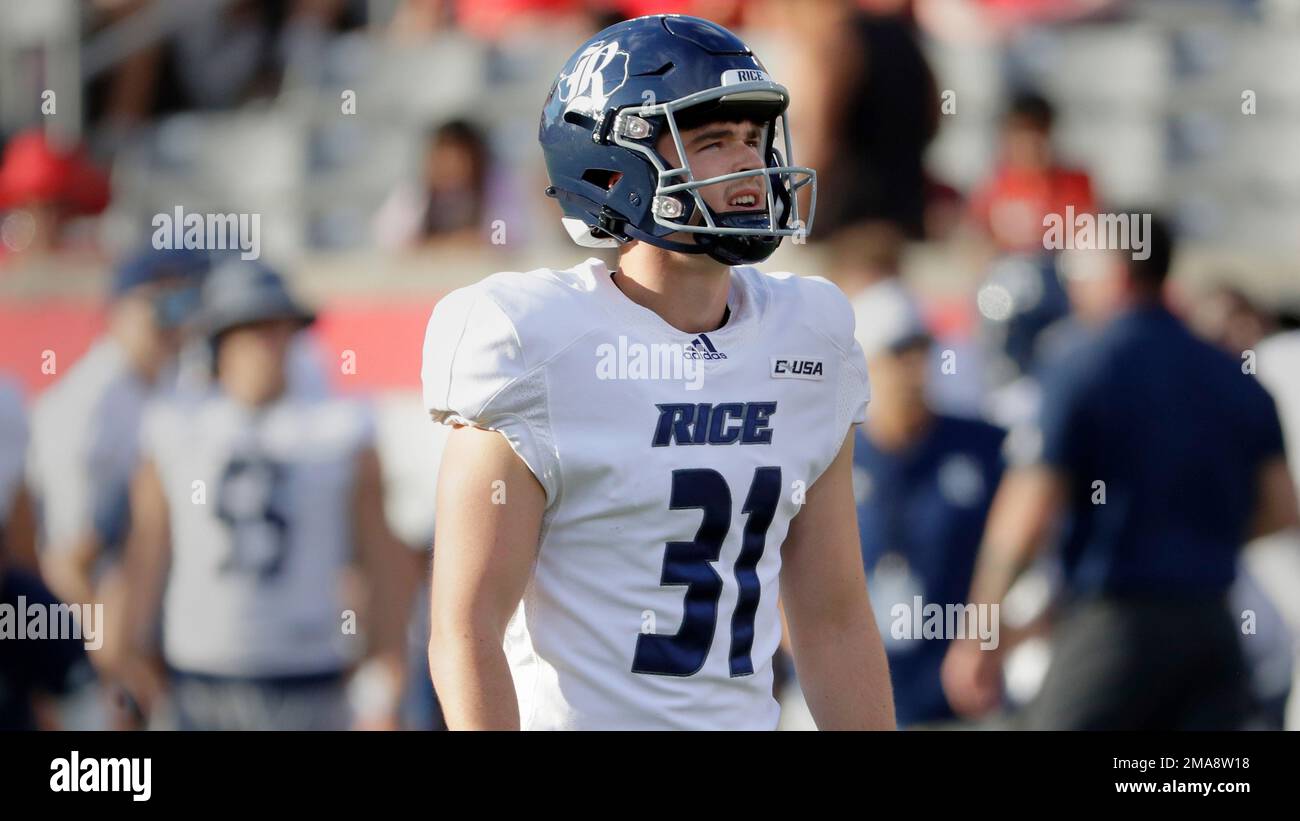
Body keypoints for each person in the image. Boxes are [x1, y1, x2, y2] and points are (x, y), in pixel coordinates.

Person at [422, 14, 895, 731]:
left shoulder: (809, 334)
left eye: (751, 138)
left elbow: (832, 618)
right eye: (712, 142)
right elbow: (466, 626)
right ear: (616, 164)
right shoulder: (534, 341)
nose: (749, 165)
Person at [942, 216, 1300, 730]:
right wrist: (1196, 537)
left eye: (1084, 268)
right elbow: (1280, 507)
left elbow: (1026, 513)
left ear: (1117, 271)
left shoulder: (1082, 365)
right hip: (1211, 626)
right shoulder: (1231, 373)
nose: (1075, 284)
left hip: (1113, 623)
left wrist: (980, 631)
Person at [116, 261, 412, 730]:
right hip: (198, 677)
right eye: (254, 330)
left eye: (282, 331)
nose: (272, 347)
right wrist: (127, 656)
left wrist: (384, 669)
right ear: (218, 343)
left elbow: (383, 561)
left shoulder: (339, 433)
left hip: (309, 673)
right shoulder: (174, 431)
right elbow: (145, 553)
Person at [850, 281, 1005, 728]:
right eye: (898, 353)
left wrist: (991, 640)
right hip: (845, 702)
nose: (914, 367)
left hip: (959, 697)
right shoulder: (826, 452)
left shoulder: (982, 446)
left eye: (921, 350)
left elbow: (1033, 558)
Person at [30, 247, 209, 610]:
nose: (174, 319)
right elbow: (68, 563)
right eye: (160, 304)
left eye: (185, 301)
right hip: (101, 606)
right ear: (118, 311)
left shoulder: (179, 380)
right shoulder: (86, 406)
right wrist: (107, 656)